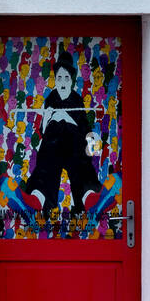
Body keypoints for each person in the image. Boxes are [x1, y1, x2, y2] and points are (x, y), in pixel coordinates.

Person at [21, 48, 103, 216]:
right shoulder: (50, 98)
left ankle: (89, 196)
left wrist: (67, 118)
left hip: (74, 146)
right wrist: (50, 119)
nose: (63, 81)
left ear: (72, 80)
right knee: (46, 161)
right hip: (54, 146)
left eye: (66, 77)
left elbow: (85, 131)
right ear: (55, 80)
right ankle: (38, 197)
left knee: (81, 164)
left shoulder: (77, 100)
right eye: (59, 77)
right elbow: (44, 131)